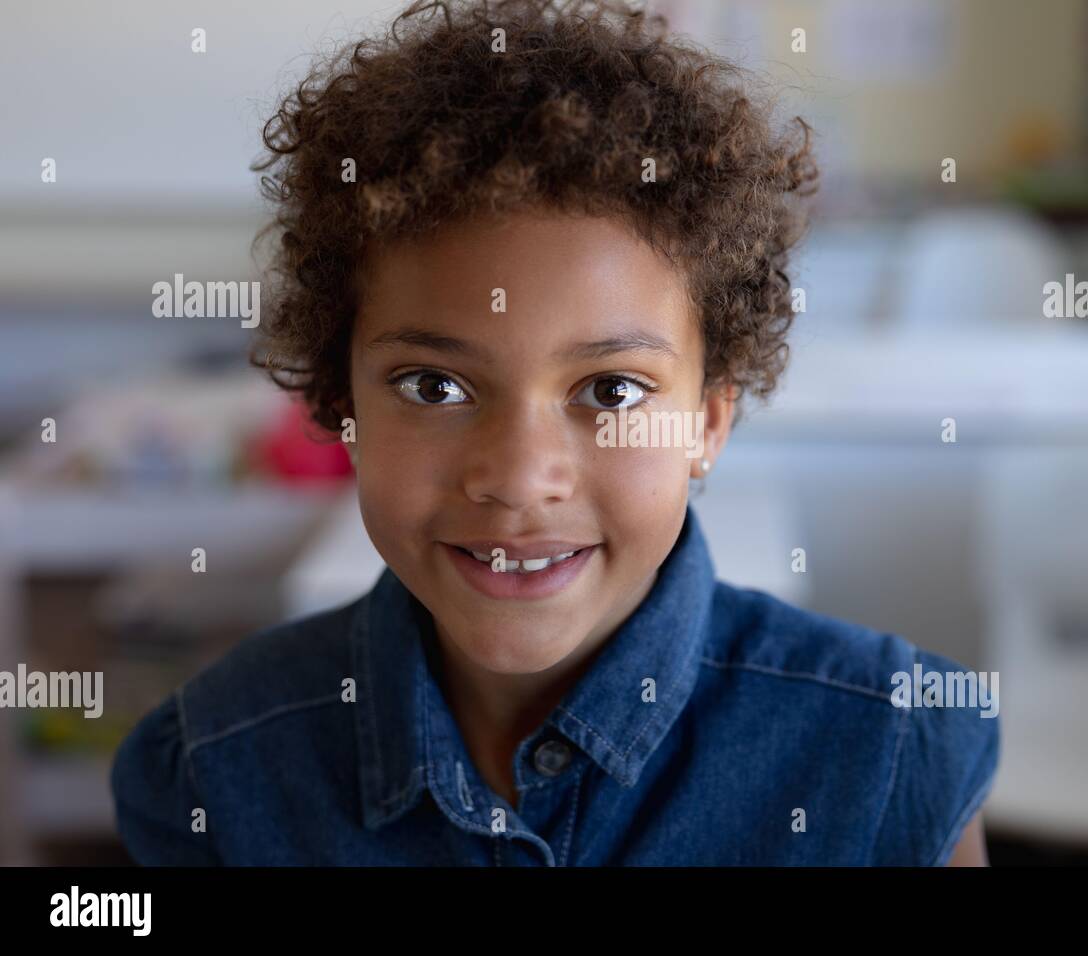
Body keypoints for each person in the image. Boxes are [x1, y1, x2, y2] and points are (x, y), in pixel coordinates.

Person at [111, 0, 997, 866]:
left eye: (610, 390)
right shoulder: (212, 771)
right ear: (341, 402)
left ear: (708, 422)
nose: (519, 478)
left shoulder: (889, 752)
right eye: (435, 385)